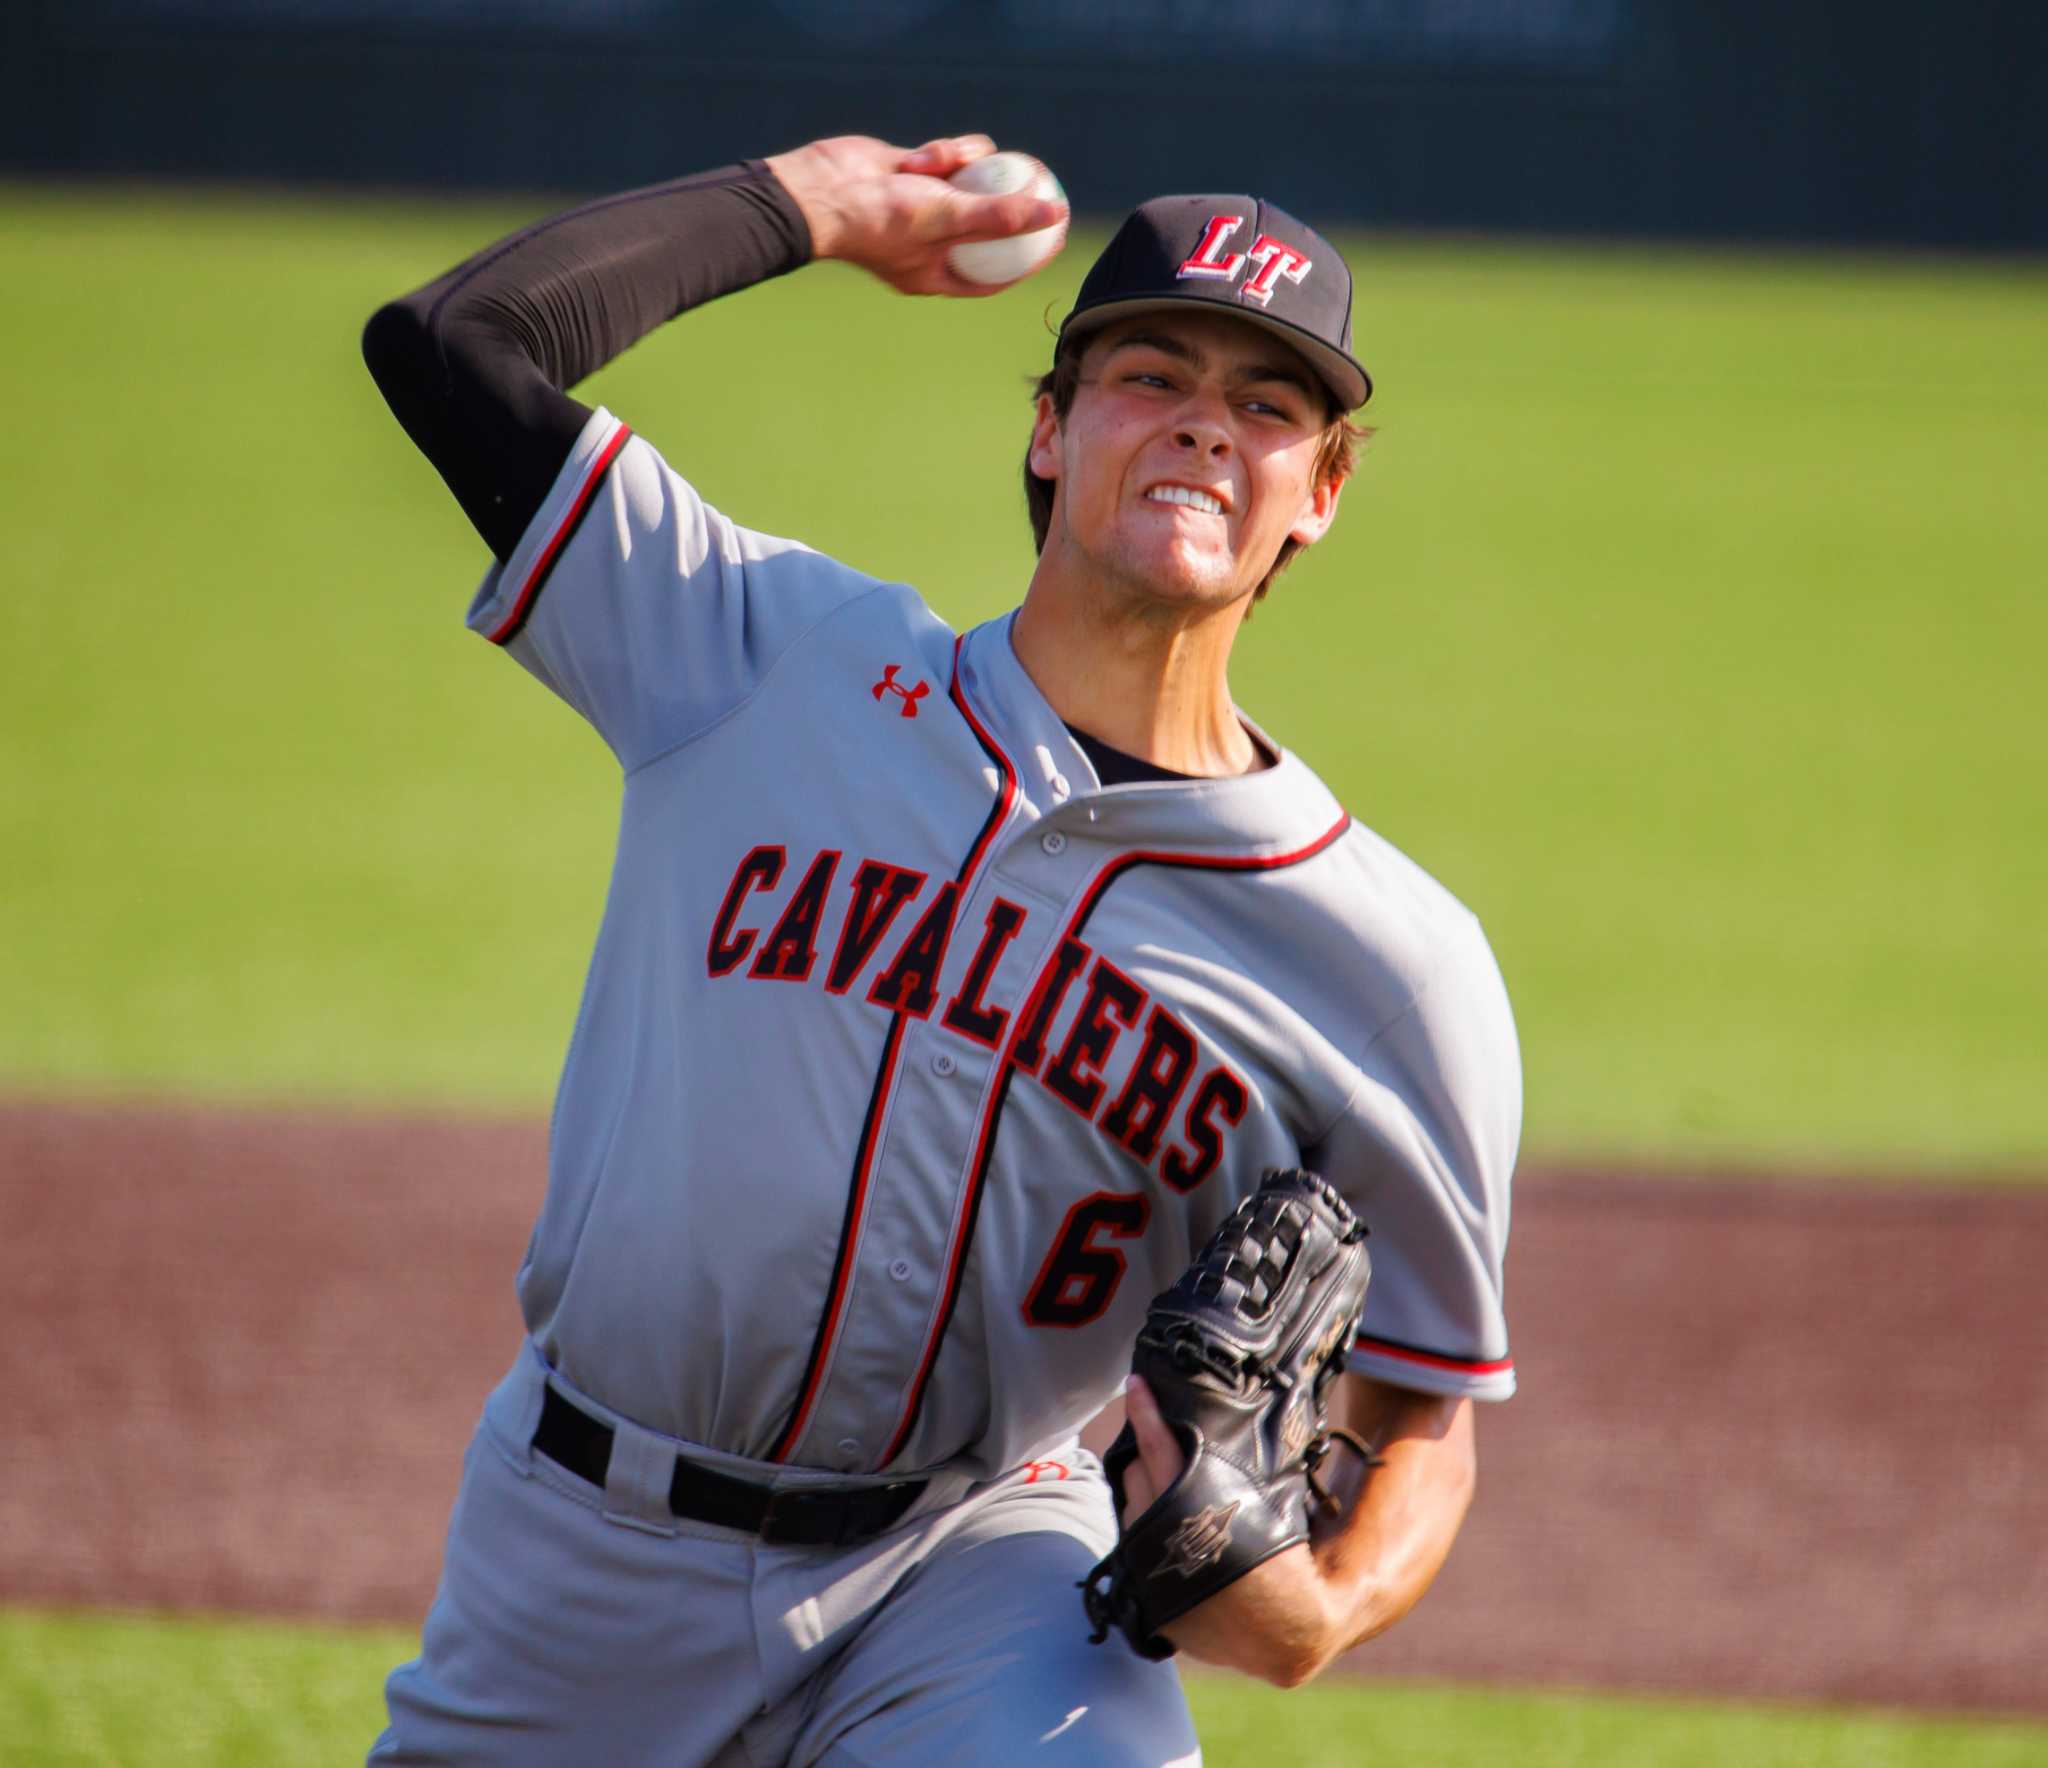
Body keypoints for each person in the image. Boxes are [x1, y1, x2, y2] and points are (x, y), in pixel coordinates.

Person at [361, 133, 1520, 1766]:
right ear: (1050, 429)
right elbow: (449, 344)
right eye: (1150, 373)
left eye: (1270, 407)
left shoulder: (1388, 963)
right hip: (583, 1545)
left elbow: (1426, 1403)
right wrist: (813, 205)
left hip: (980, 1564)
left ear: (1320, 493)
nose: (1206, 421)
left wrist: (1326, 1605)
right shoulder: (759, 655)